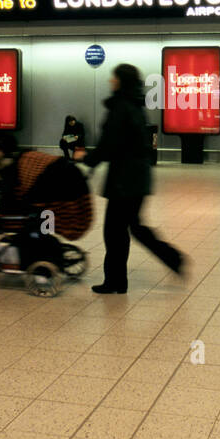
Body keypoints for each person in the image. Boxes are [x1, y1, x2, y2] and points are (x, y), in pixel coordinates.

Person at [75, 63, 186, 294]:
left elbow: (110, 144)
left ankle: (116, 280)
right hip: (136, 177)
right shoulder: (135, 105)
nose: (110, 81)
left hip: (124, 181)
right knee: (131, 227)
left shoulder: (121, 107)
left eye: (113, 78)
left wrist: (88, 158)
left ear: (121, 81)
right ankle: (163, 262)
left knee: (114, 231)